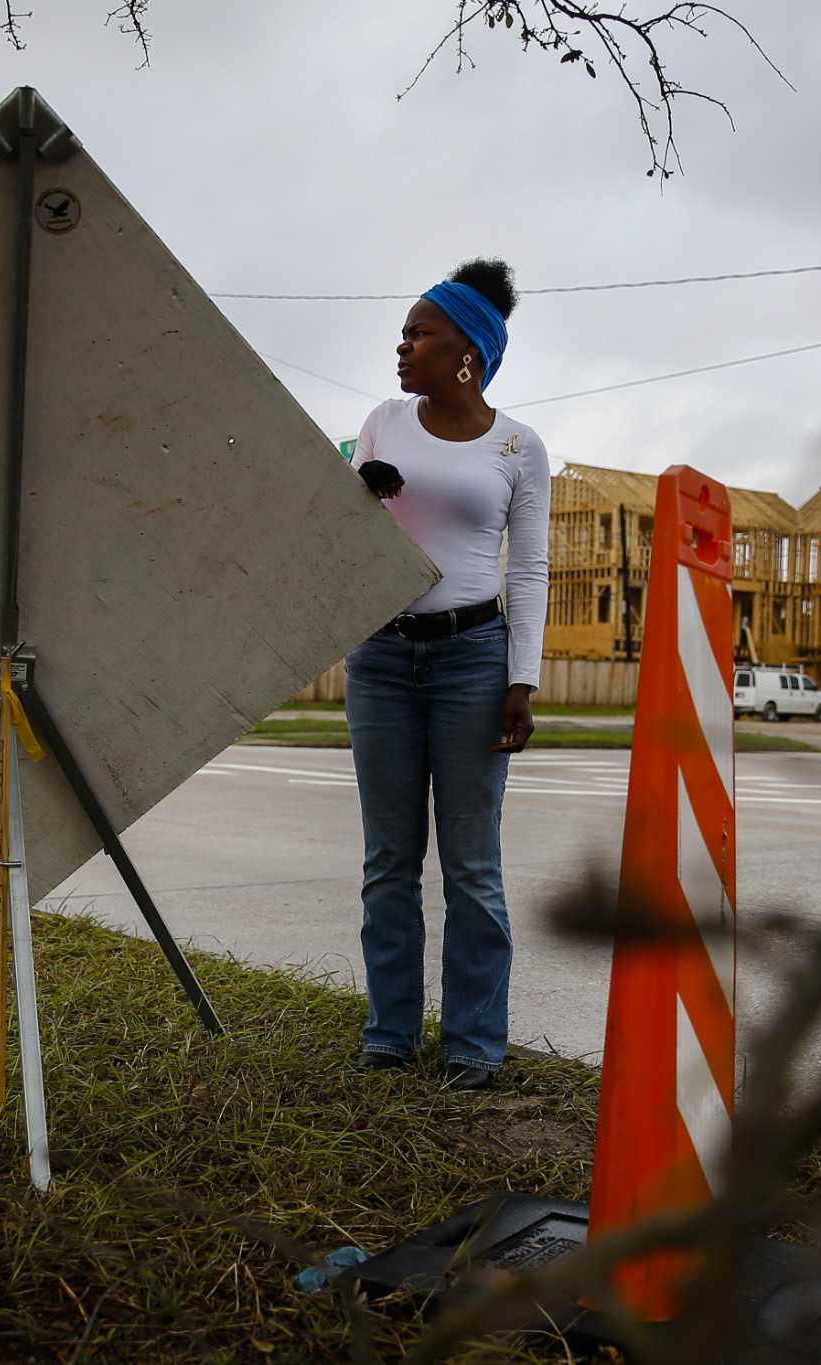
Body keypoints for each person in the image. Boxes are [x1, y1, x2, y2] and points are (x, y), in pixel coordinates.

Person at [346, 258, 550, 1092]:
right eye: (403, 332)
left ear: (468, 350)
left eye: (419, 333)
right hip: (383, 655)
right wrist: (359, 490)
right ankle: (390, 1034)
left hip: (474, 658)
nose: (402, 346)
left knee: (472, 866)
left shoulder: (519, 446)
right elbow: (343, 532)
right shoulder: (385, 422)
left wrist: (522, 678)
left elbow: (529, 570)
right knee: (390, 861)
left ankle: (473, 1045)